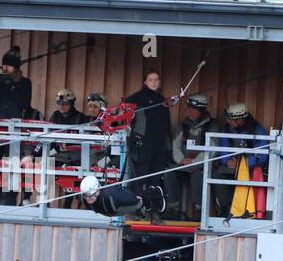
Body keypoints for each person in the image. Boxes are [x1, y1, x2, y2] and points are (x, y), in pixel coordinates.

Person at [0, 49, 32, 205]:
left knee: (12, 163)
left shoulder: (24, 83)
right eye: (3, 65)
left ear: (15, 67)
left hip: (15, 129)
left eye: (8, 66)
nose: (4, 68)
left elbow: (25, 104)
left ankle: (9, 198)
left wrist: (12, 87)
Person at [213, 102, 269, 219]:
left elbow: (264, 154)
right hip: (232, 167)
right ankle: (226, 210)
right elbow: (222, 150)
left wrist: (245, 164)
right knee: (217, 175)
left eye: (230, 119)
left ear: (240, 120)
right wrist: (227, 161)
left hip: (250, 169)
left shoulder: (256, 130)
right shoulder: (228, 130)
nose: (228, 121)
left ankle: (246, 211)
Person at [170, 93, 218, 221]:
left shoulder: (212, 125)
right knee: (169, 172)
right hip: (184, 163)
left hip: (202, 164)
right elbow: (176, 145)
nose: (189, 111)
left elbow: (212, 149)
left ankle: (199, 211)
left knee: (198, 176)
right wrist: (181, 160)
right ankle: (173, 209)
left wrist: (194, 161)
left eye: (192, 109)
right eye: (188, 108)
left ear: (201, 111)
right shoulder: (183, 124)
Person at [125, 69, 172, 198]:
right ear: (145, 82)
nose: (154, 82)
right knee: (141, 175)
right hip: (143, 142)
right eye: (151, 80)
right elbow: (123, 109)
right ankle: (137, 205)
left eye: (156, 80)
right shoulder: (137, 97)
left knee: (156, 175)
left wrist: (169, 148)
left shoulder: (162, 100)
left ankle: (152, 205)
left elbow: (167, 125)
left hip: (159, 143)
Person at [78, 174, 165, 224]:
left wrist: (138, 200)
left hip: (120, 203)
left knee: (139, 200)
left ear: (98, 190)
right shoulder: (85, 199)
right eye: (86, 196)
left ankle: (153, 194)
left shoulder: (112, 195)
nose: (88, 199)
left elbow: (132, 199)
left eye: (91, 196)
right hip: (113, 210)